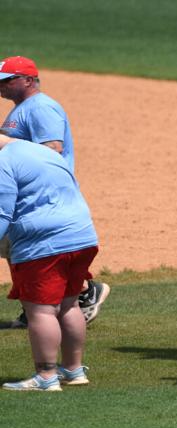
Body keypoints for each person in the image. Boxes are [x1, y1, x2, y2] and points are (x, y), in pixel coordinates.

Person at [0, 55, 106, 328]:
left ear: (28, 80)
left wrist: (10, 144)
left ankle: (84, 290)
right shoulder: (23, 107)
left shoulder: (41, 108)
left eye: (7, 80)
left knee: (23, 246)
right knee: (16, 247)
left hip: (45, 192)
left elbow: (52, 149)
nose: (1, 86)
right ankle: (34, 305)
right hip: (28, 190)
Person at [0, 135, 97, 391]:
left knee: (41, 311)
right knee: (69, 304)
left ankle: (46, 376)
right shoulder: (45, 153)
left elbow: (2, 211)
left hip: (43, 244)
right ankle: (74, 370)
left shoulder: (4, 161)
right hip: (82, 236)